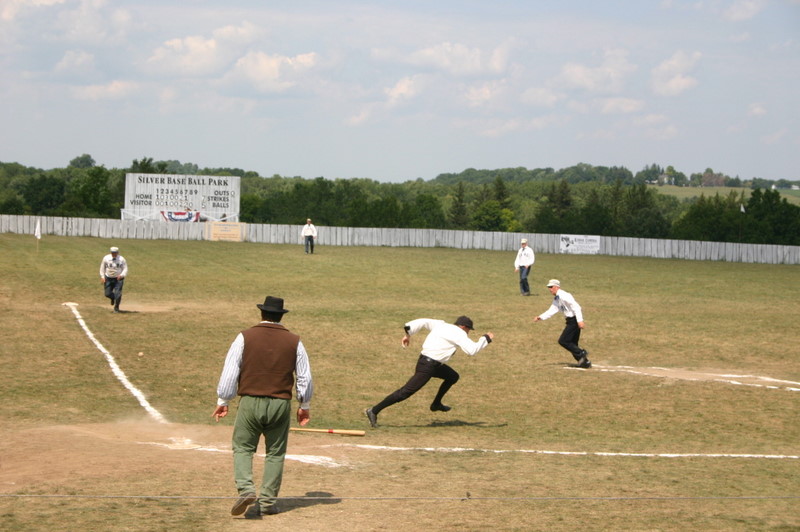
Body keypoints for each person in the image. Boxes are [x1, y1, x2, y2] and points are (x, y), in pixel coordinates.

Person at [212, 296, 314, 519]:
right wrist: (304, 404)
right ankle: (267, 502)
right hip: (280, 403)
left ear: (262, 314)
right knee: (276, 453)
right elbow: (304, 376)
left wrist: (223, 401)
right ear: (281, 316)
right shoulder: (294, 341)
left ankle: (246, 488)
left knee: (243, 447)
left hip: (250, 401)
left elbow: (230, 371)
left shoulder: (244, 337)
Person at [364, 316, 494, 428]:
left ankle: (436, 404)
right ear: (464, 327)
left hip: (430, 363)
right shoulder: (459, 333)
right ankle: (374, 411)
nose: (468, 333)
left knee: (453, 376)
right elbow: (472, 350)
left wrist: (408, 335)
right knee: (405, 392)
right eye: (469, 330)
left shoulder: (441, 324)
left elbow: (422, 321)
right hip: (428, 367)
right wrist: (486, 338)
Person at [534, 279, 591, 368]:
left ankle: (581, 353)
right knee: (573, 343)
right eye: (549, 287)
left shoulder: (564, 295)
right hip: (570, 321)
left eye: (551, 287)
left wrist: (580, 320)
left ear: (557, 287)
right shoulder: (557, 298)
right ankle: (585, 362)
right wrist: (540, 317)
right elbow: (553, 310)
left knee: (563, 341)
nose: (550, 289)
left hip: (574, 321)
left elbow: (576, 307)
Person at [99, 246, 127, 313]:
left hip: (118, 278)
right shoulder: (106, 258)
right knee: (107, 293)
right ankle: (113, 298)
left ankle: (116, 307)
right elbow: (102, 267)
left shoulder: (122, 259)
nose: (114, 254)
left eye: (115, 253)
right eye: (112, 253)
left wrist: (122, 275)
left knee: (118, 294)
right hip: (108, 278)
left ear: (117, 253)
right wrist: (102, 276)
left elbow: (125, 268)